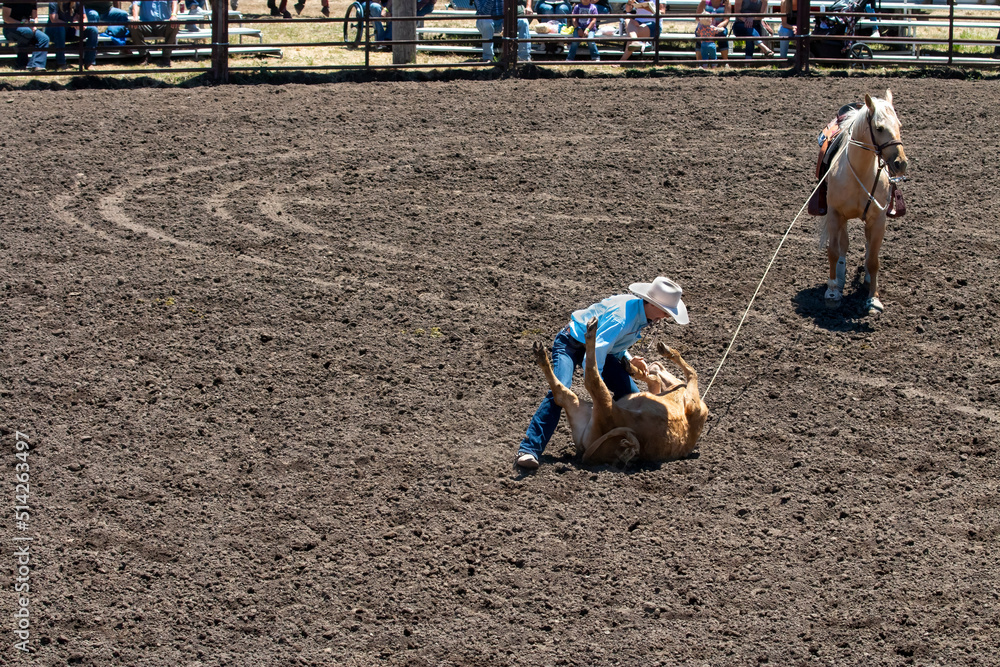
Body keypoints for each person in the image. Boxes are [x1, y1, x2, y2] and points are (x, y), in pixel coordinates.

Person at [515, 276, 690, 470]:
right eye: (665, 312)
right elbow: (596, 352)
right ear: (652, 304)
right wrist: (595, 386)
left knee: (631, 394)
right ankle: (529, 449)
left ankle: (617, 443)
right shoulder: (622, 318)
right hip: (571, 344)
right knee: (560, 391)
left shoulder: (639, 315)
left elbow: (611, 344)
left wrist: (629, 357)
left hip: (599, 349)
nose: (665, 317)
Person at [128, 0, 180, 66]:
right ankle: (144, 55)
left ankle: (166, 56)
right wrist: (135, 17)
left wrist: (173, 15)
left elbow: (174, 2)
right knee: (133, 26)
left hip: (163, 24)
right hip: (146, 24)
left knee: (174, 25)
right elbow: (136, 4)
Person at [2, 0, 50, 71]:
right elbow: (6, 18)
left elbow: (34, 17)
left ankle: (37, 65)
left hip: (27, 28)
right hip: (10, 29)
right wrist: (22, 24)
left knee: (44, 38)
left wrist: (34, 26)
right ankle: (22, 63)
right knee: (27, 32)